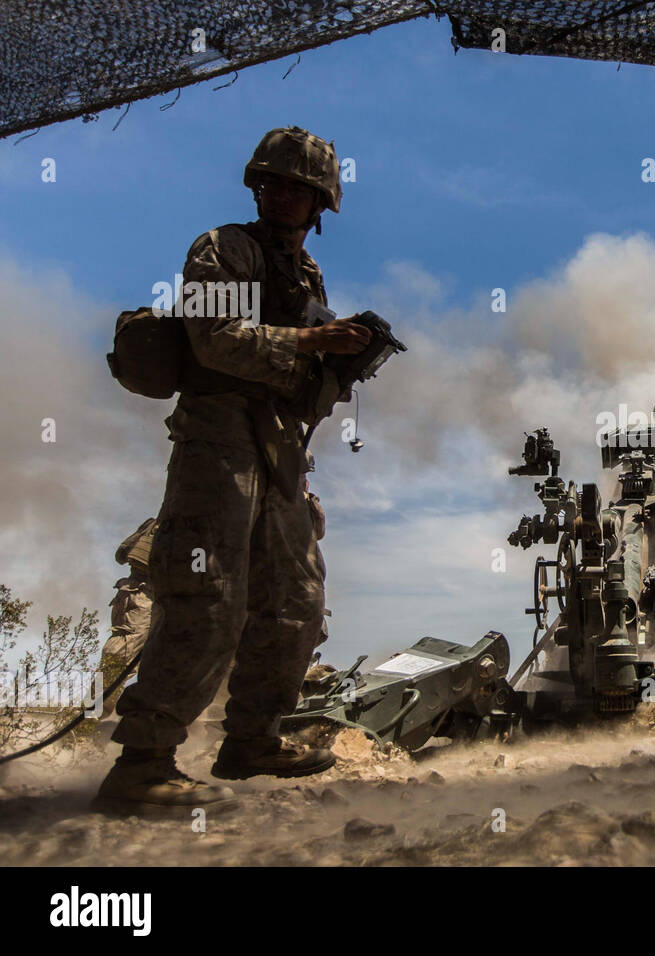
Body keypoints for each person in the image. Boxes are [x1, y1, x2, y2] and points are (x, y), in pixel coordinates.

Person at [95, 126, 371, 815]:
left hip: (278, 447)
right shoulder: (222, 249)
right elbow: (215, 343)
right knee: (208, 594)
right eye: (272, 184)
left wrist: (340, 366)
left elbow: (297, 381)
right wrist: (310, 341)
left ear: (320, 205)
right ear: (256, 187)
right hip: (216, 441)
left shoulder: (306, 276)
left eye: (298, 190)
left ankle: (252, 740)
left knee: (296, 604)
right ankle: (144, 760)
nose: (282, 197)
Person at [96, 518, 158, 723]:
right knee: (118, 658)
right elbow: (200, 568)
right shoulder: (192, 522)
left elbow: (123, 553)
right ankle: (84, 727)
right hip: (144, 593)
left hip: (165, 600)